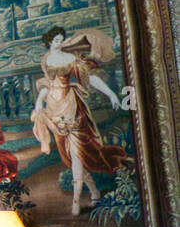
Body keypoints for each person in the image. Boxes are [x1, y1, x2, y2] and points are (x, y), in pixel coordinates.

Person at [30, 26, 129, 216]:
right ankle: (94, 191)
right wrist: (37, 102)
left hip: (73, 107)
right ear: (50, 42)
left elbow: (90, 78)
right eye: (57, 40)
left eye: (62, 40)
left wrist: (110, 93)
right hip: (54, 110)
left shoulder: (70, 59)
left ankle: (76, 202)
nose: (60, 44)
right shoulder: (46, 60)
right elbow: (46, 85)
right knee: (68, 156)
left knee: (76, 153)